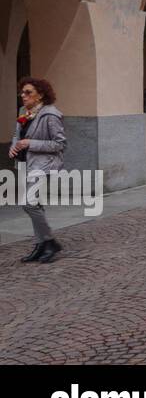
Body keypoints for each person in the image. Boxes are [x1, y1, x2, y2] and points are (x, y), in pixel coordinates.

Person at [11, 77, 67, 263]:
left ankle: (49, 241)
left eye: (28, 92)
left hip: (45, 165)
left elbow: (59, 144)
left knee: (29, 203)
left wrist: (30, 143)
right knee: (36, 205)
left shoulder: (50, 114)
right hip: (27, 163)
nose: (23, 96)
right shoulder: (23, 112)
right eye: (22, 92)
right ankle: (41, 244)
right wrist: (14, 146)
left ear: (40, 95)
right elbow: (17, 135)